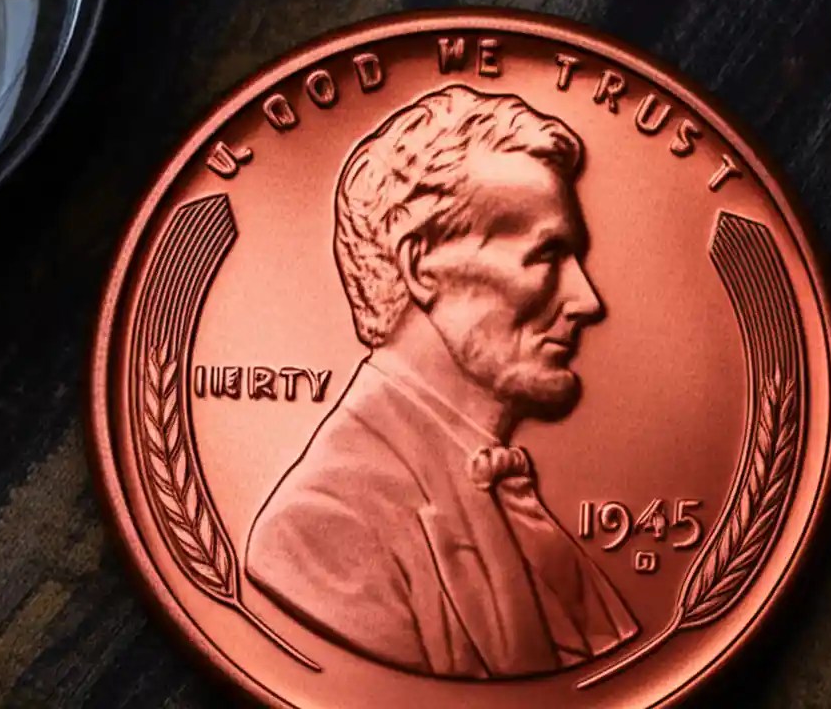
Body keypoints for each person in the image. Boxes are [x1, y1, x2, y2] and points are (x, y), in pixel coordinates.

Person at [245, 84, 639, 678]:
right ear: (420, 265)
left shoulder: (503, 488)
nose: (587, 300)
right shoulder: (322, 528)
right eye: (547, 255)